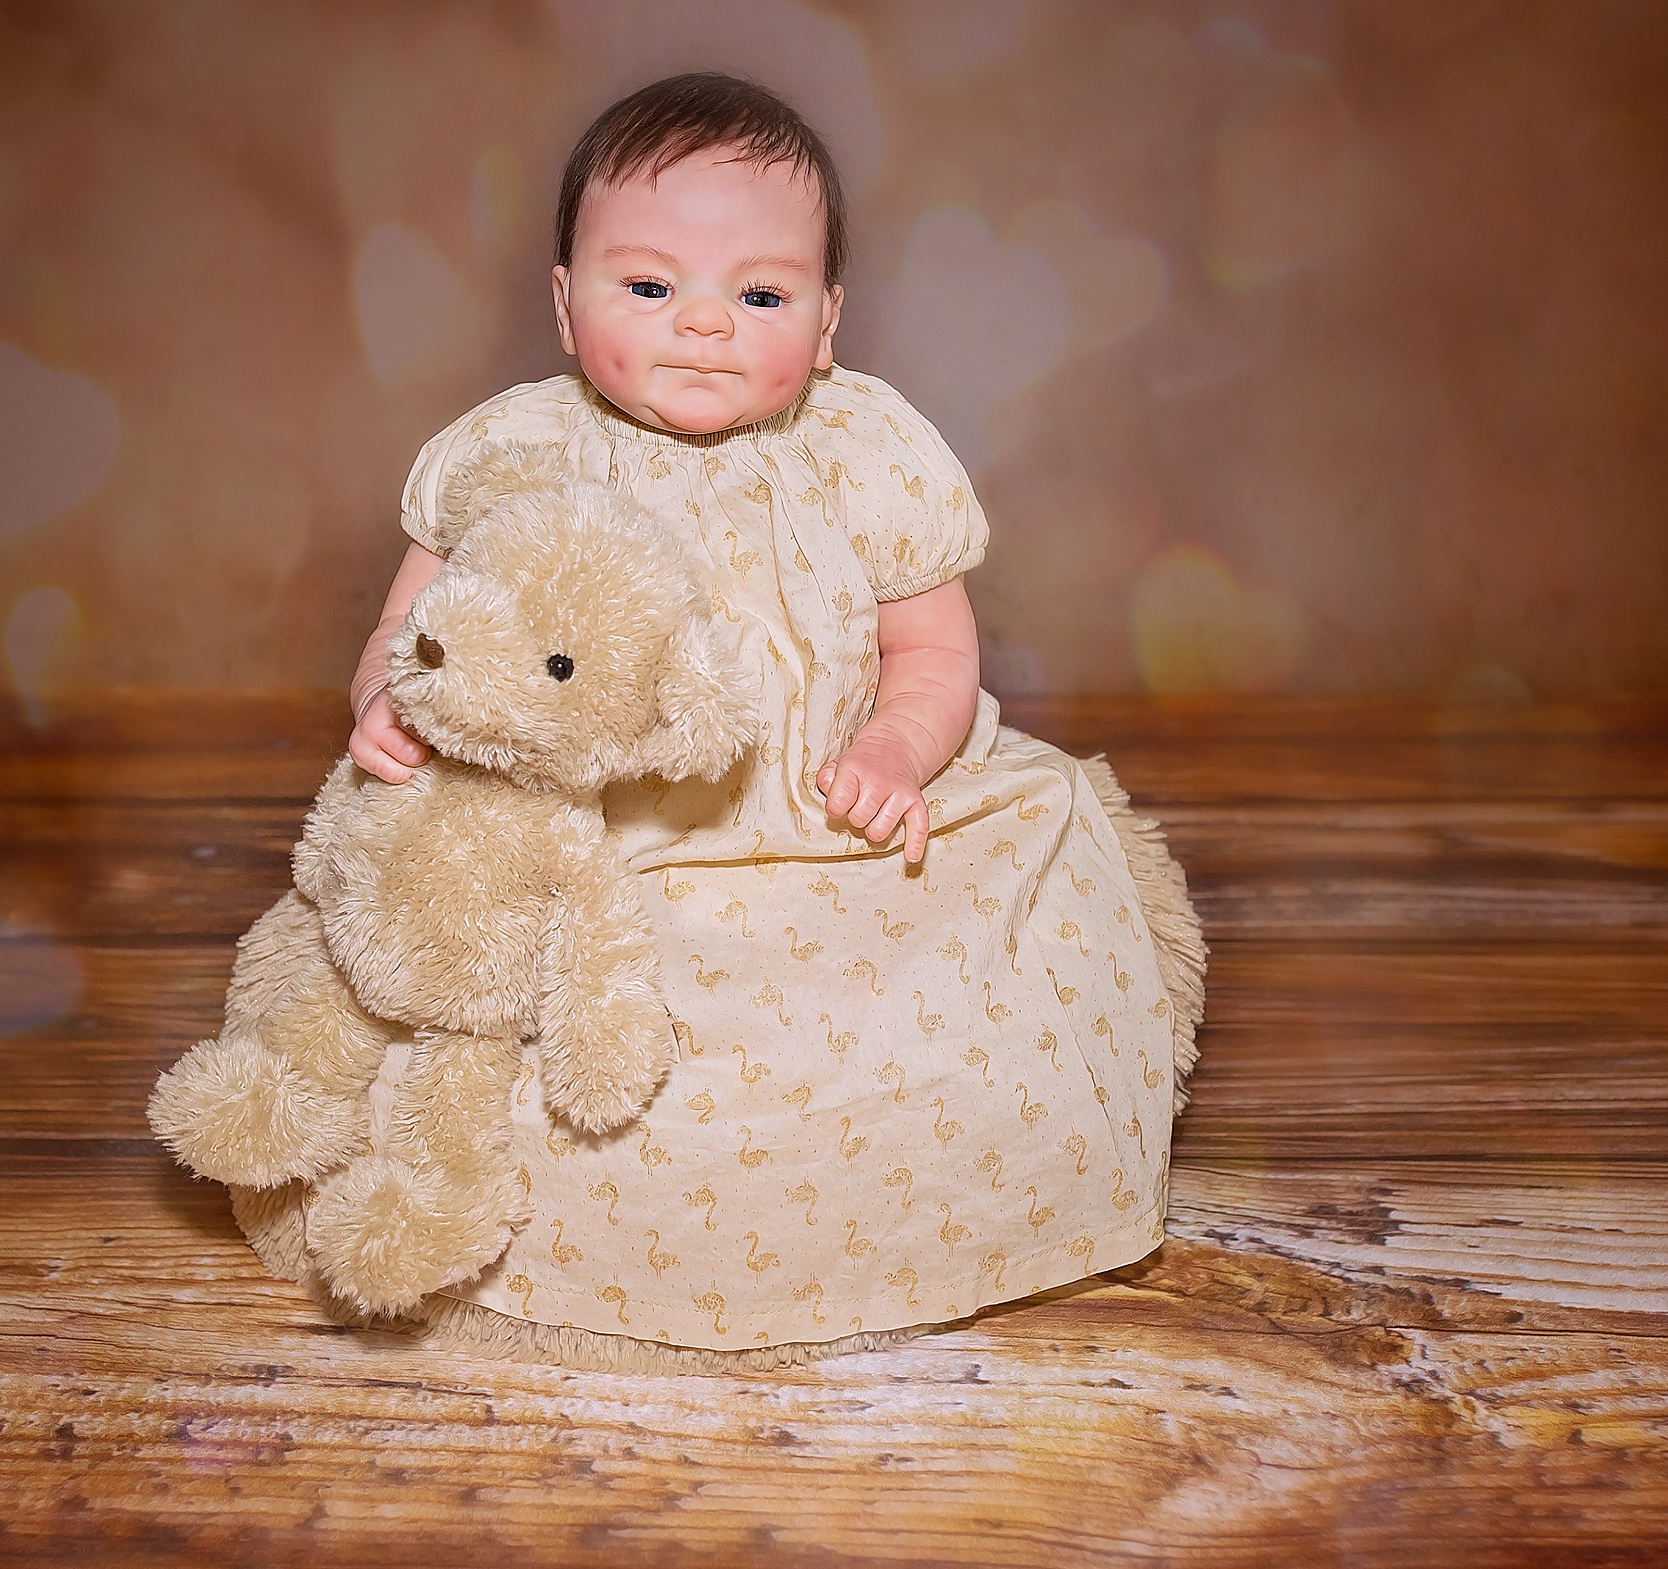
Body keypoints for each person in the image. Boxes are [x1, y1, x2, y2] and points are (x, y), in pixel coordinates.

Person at [336, 73, 1203, 1371]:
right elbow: (411, 629)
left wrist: (895, 749)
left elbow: (933, 649)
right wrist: (384, 711)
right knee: (485, 1024)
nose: (702, 326)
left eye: (758, 295)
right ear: (566, 305)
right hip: (585, 852)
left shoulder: (861, 448)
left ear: (829, 316)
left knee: (972, 968)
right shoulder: (518, 454)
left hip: (821, 828)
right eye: (647, 288)